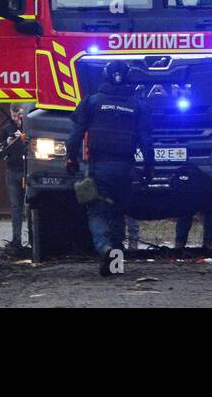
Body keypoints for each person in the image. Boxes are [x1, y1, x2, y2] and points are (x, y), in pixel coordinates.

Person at [66, 64, 152, 277]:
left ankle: (104, 249)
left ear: (104, 77)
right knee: (117, 213)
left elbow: (75, 136)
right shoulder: (137, 105)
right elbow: (146, 141)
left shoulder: (92, 102)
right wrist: (149, 167)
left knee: (97, 212)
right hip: (125, 170)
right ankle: (116, 265)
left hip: (99, 169)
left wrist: (71, 159)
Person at [0, 103, 29, 251]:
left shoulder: (29, 127)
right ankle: (16, 239)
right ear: (10, 112)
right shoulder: (7, 129)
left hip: (27, 170)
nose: (17, 116)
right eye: (14, 113)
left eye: (19, 113)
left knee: (30, 206)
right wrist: (7, 143)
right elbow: (0, 150)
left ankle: (33, 239)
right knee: (16, 206)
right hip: (12, 170)